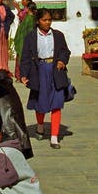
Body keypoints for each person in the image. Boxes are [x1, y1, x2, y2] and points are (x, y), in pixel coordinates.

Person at [20, 8, 71, 150]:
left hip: (55, 70)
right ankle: (40, 126)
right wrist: (23, 75)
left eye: (49, 20)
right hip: (39, 71)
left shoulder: (58, 35)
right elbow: (25, 57)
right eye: (44, 20)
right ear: (38, 21)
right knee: (40, 102)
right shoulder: (31, 37)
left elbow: (65, 51)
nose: (47, 22)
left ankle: (54, 137)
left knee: (56, 103)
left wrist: (62, 61)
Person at [13, 0, 37, 80]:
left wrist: (18, 9)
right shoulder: (27, 10)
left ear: (28, 1)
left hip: (25, 35)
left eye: (23, 0)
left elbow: (23, 18)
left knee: (23, 55)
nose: (22, 1)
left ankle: (22, 74)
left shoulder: (29, 12)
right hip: (22, 34)